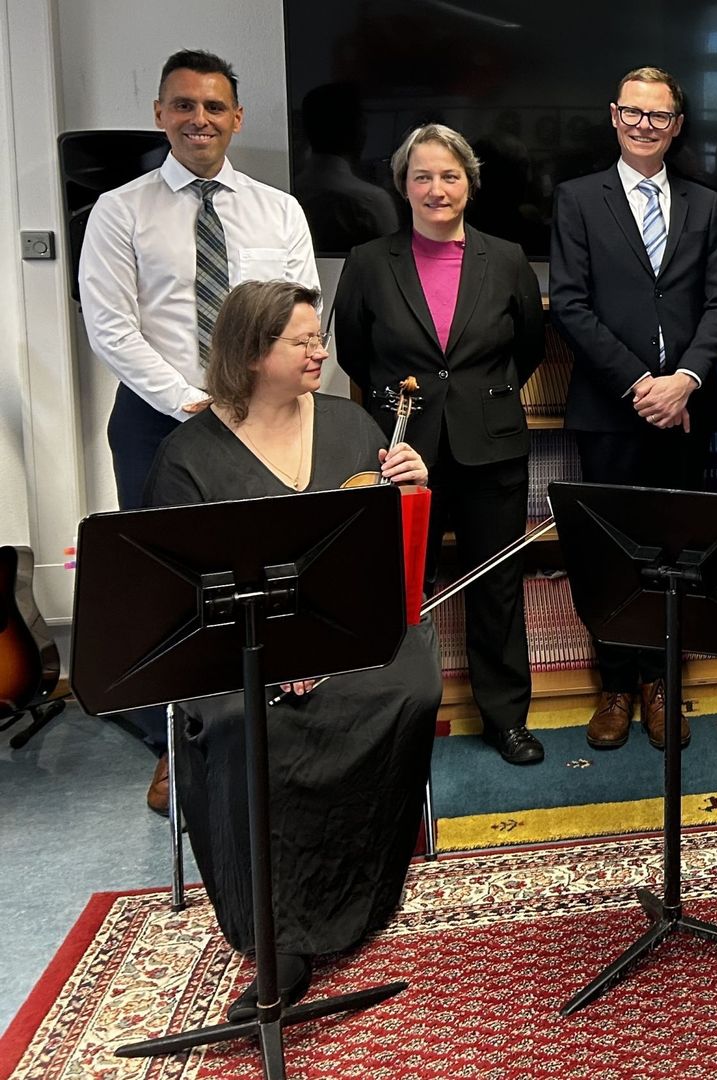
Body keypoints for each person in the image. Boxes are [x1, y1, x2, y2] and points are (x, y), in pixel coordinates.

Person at [143, 280, 440, 1022]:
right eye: (302, 341)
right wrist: (279, 661)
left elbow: (381, 558)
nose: (320, 351)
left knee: (405, 690)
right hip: (234, 652)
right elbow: (179, 600)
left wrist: (414, 488)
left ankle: (357, 891)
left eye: (318, 337)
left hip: (347, 633)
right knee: (249, 721)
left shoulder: (348, 423)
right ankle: (280, 937)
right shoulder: (187, 456)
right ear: (250, 354)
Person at [77, 48, 319, 813]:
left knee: (263, 576)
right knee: (168, 589)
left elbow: (304, 311)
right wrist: (192, 401)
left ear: (236, 118)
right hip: (159, 422)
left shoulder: (278, 210)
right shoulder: (122, 210)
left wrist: (261, 398)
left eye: (214, 107)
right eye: (184, 105)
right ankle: (174, 748)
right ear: (160, 115)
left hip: (264, 421)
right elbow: (111, 326)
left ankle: (272, 723)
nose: (199, 119)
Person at [333, 123, 546, 767]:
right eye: (422, 176)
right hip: (403, 453)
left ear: (469, 184)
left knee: (498, 586)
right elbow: (355, 354)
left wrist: (479, 402)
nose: (436, 188)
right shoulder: (369, 262)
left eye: (449, 175)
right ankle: (399, 715)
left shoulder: (506, 258)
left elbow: (528, 347)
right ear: (402, 185)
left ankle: (506, 718)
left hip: (492, 448)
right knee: (402, 585)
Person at [550, 66, 717, 753]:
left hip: (685, 408)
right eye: (633, 112)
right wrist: (640, 383)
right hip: (608, 408)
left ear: (677, 125)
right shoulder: (576, 200)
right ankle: (616, 687)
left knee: (675, 552)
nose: (645, 125)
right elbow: (569, 303)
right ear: (613, 115)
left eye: (659, 116)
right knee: (607, 555)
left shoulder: (706, 204)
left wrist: (683, 379)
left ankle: (661, 683)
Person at [290, 81, 400, 253]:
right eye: (363, 122)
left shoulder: (286, 198)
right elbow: (394, 262)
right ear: (357, 130)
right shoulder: (373, 201)